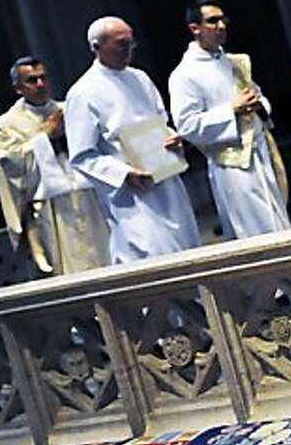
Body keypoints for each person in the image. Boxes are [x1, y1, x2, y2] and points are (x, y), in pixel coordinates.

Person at [65, 16, 200, 262]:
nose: (128, 50)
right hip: (131, 195)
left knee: (187, 251)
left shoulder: (140, 78)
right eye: (121, 44)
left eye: (130, 43)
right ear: (96, 47)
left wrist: (173, 139)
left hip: (166, 180)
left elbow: (161, 121)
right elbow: (82, 156)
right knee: (150, 257)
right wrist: (125, 174)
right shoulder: (82, 93)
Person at [167, 0, 291, 239]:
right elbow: (187, 126)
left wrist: (259, 104)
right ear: (195, 28)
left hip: (261, 152)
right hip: (231, 162)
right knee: (253, 230)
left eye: (223, 19)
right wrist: (231, 110)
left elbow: (259, 97)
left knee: (278, 221)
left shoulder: (235, 62)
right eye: (213, 21)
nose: (221, 25)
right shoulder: (184, 75)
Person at [0, 56, 110, 276]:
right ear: (18, 88)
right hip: (51, 207)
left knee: (107, 261)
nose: (40, 84)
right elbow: (12, 164)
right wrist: (46, 136)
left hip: (90, 199)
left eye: (43, 78)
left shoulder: (68, 109)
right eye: (32, 80)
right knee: (69, 270)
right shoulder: (7, 124)